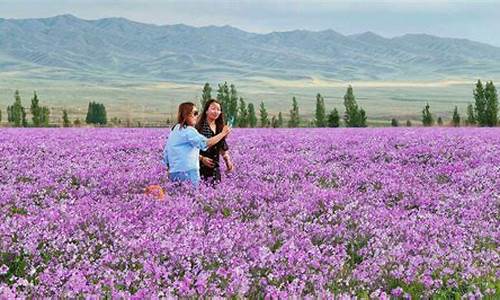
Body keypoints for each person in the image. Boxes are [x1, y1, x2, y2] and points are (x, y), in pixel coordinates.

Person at [163, 102, 230, 186]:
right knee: (191, 196)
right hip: (189, 172)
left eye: (197, 113)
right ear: (186, 114)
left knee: (176, 197)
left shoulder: (175, 129)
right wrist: (223, 133)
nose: (197, 116)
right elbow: (205, 144)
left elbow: (166, 153)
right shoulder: (189, 131)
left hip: (174, 172)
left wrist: (169, 169)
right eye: (194, 113)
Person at [196, 99, 234, 183]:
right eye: (213, 108)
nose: (216, 111)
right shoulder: (199, 127)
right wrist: (201, 158)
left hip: (215, 168)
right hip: (198, 167)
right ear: (206, 111)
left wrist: (228, 163)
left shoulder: (220, 127)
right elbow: (190, 149)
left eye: (218, 109)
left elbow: (222, 146)